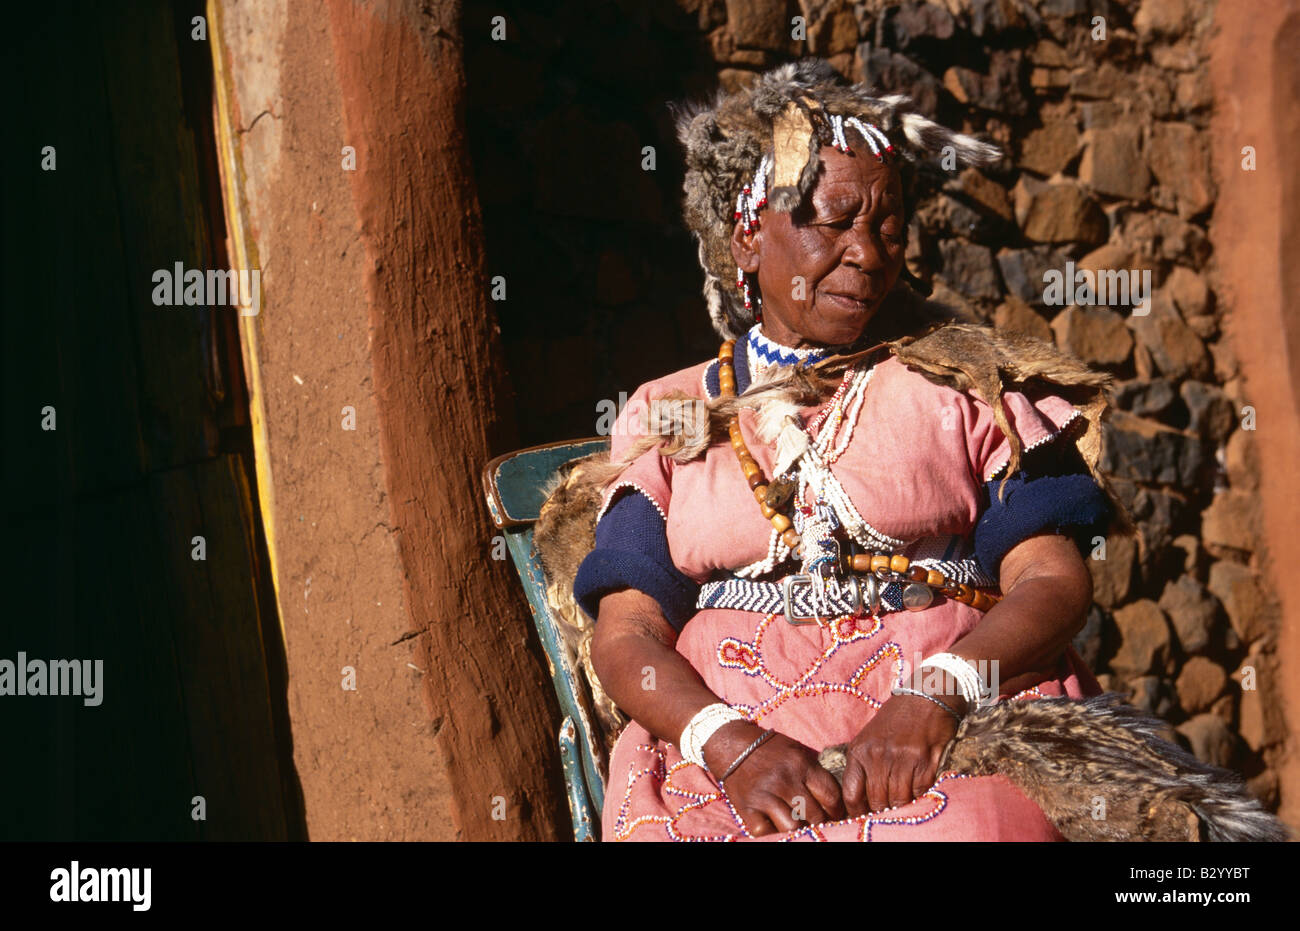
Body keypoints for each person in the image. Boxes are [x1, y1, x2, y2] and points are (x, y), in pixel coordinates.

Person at [572, 59, 1114, 841]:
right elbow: (628, 635)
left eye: (887, 227)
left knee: (980, 827)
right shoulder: (674, 413)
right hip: (734, 744)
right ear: (750, 235)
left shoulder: (960, 383)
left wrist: (939, 692)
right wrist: (730, 746)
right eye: (833, 221)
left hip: (951, 718)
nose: (866, 253)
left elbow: (1052, 579)